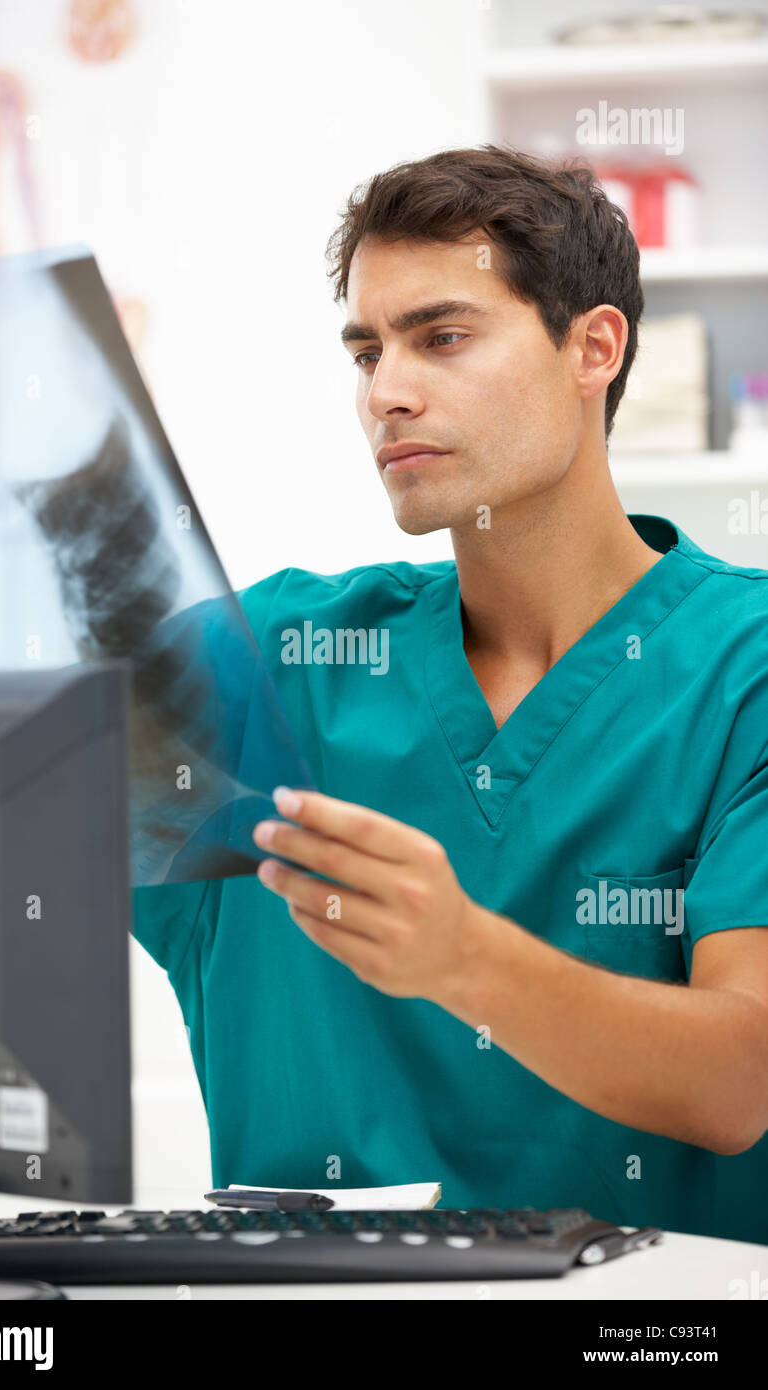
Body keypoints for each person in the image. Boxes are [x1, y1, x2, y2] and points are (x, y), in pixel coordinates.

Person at [133, 146, 768, 1243]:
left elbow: (737, 1079)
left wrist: (464, 957)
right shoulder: (273, 658)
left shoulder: (739, 666)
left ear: (593, 348)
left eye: (441, 337)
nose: (386, 390)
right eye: (366, 350)